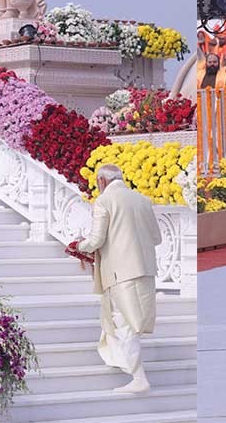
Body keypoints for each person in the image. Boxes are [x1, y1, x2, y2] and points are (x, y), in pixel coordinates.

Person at [76, 164, 162, 393]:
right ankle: (125, 365)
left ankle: (138, 378)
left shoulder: (104, 201)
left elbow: (95, 241)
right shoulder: (142, 200)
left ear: (102, 181)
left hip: (120, 273)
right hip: (145, 269)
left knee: (124, 324)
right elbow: (156, 237)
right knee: (128, 322)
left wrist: (78, 245)